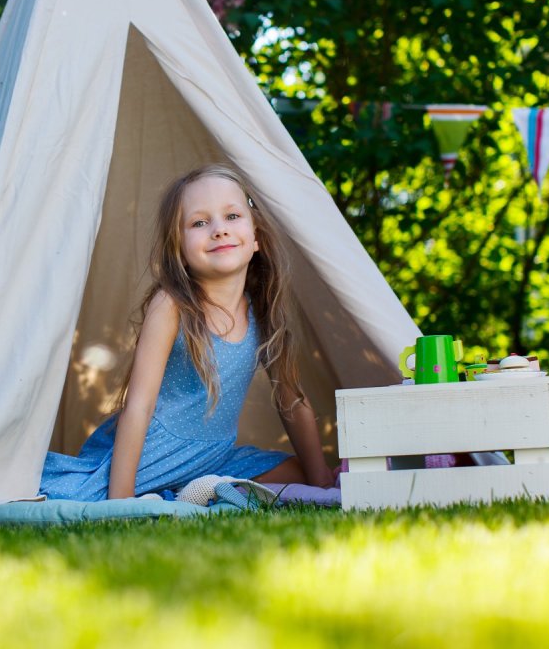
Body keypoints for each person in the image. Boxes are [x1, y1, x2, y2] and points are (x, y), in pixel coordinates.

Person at [40, 163, 336, 501]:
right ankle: (157, 490)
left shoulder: (262, 309)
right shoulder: (172, 305)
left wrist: (320, 481)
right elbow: (139, 405)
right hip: (156, 451)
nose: (219, 230)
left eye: (232, 217)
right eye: (199, 223)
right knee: (63, 491)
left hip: (214, 456)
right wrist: (119, 501)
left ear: (257, 238)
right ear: (179, 249)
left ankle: (191, 490)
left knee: (297, 472)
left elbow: (292, 400)